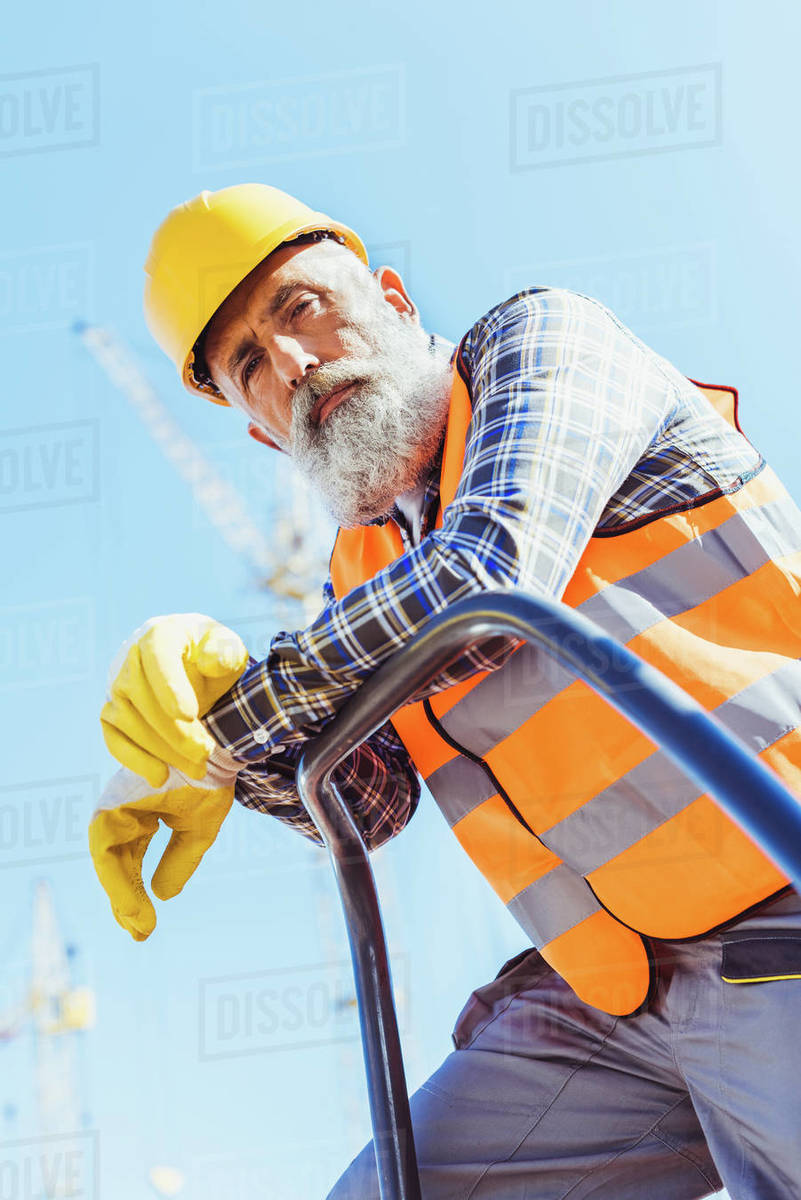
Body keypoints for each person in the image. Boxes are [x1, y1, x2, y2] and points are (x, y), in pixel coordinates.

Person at [89, 183, 801, 1199]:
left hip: (777, 911)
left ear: (392, 297)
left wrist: (243, 712)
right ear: (260, 433)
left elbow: (490, 575)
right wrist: (221, 754)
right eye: (249, 365)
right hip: (615, 994)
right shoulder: (360, 569)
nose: (292, 364)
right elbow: (369, 801)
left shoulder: (544, 342)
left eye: (301, 307)